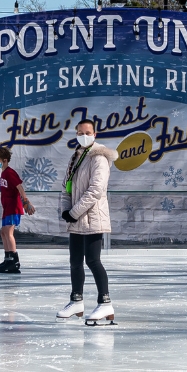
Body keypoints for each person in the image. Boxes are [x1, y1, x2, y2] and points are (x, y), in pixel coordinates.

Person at [57, 119, 117, 325]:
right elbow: (67, 187)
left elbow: (95, 190)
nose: (84, 135)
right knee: (75, 262)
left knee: (92, 260)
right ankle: (76, 300)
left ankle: (105, 302)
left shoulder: (99, 158)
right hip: (76, 219)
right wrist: (66, 209)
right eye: (80, 132)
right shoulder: (75, 158)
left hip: (92, 218)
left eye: (88, 132)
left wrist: (74, 212)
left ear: (95, 134)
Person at [0, 147, 35, 274]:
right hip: (7, 208)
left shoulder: (10, 172)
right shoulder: (3, 173)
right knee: (3, 232)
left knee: (8, 232)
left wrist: (25, 201)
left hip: (13, 207)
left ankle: (14, 261)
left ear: (5, 161)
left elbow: (19, 187)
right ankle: (7, 259)